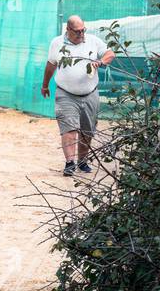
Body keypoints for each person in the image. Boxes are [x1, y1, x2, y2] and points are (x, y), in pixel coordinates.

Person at [41, 14, 114, 178]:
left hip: (90, 93)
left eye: (83, 30)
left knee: (87, 131)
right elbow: (51, 65)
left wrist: (100, 62)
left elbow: (110, 54)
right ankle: (70, 163)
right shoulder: (57, 43)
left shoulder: (93, 41)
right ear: (68, 29)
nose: (81, 34)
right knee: (69, 129)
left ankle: (82, 161)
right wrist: (45, 85)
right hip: (65, 93)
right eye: (77, 31)